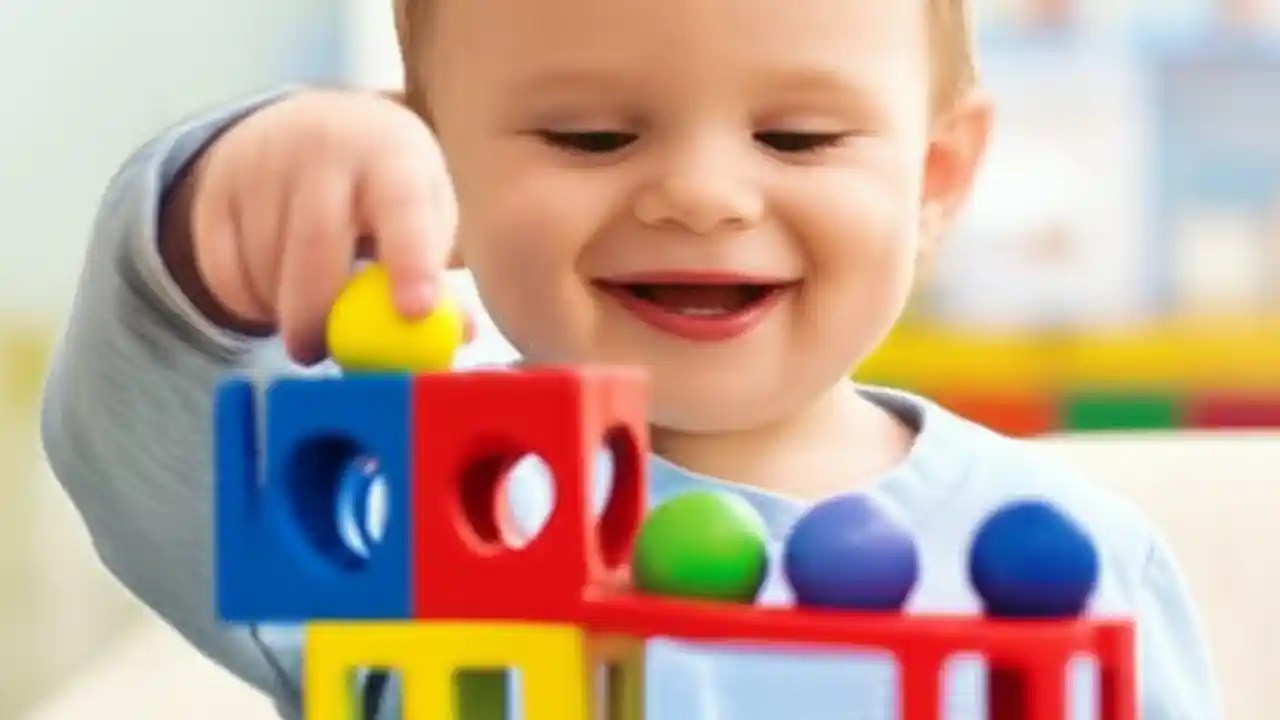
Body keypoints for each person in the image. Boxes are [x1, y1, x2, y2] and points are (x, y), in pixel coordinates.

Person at [40, 0, 1221, 717]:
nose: (701, 196)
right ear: (435, 166)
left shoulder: (1072, 558)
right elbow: (139, 439)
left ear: (932, 180)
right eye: (589, 135)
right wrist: (211, 221)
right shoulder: (404, 507)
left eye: (796, 136)